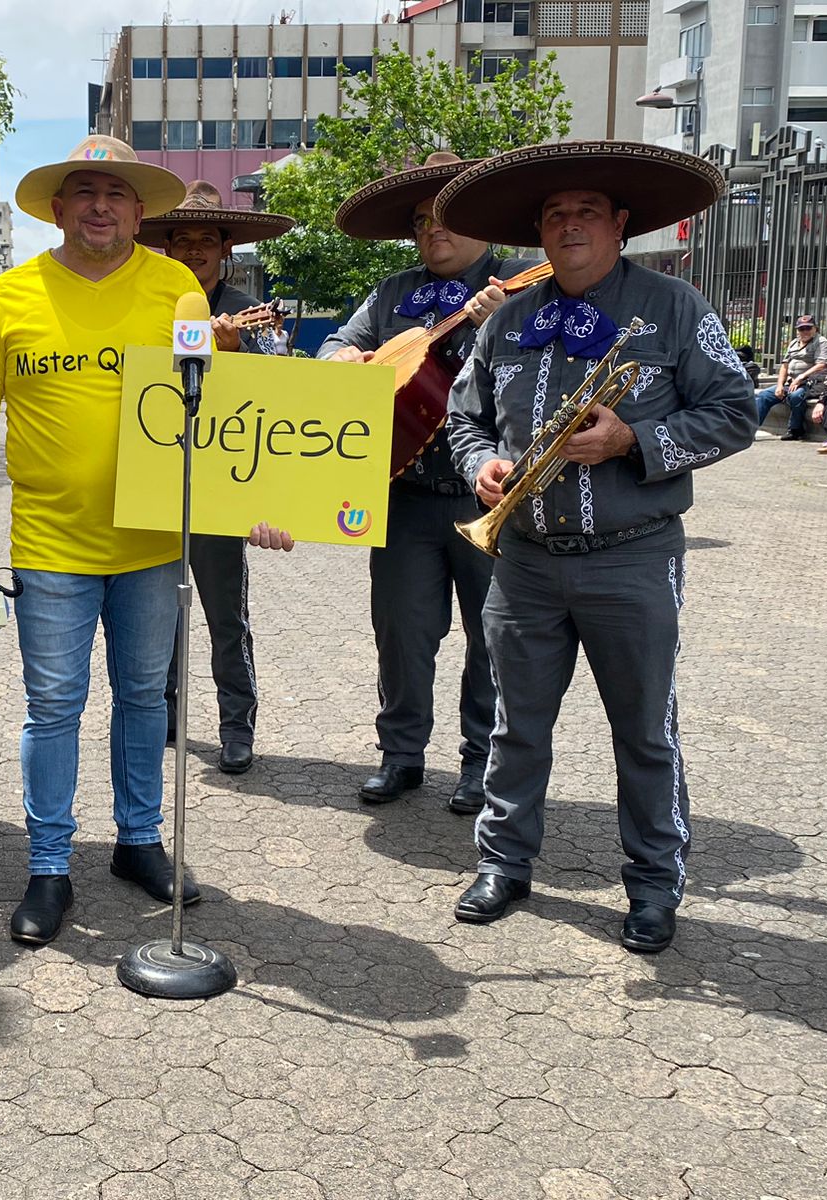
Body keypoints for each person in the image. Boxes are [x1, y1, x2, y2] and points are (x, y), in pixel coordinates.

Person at [0, 134, 293, 947]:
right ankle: (49, 865)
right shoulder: (8, 297)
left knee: (144, 700)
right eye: (85, 192)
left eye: (117, 193)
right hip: (51, 546)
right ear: (58, 208)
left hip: (152, 545)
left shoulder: (176, 291)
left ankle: (138, 843)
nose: (101, 205)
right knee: (53, 707)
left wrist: (264, 500)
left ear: (140, 210)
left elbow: (220, 409)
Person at [439, 141, 756, 952]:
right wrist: (482, 467)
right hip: (526, 560)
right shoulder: (508, 319)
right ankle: (505, 865)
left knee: (644, 730)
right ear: (539, 233)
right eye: (554, 215)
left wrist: (632, 440)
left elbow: (735, 412)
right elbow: (464, 419)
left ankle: (653, 885)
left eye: (585, 211)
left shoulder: (673, 304)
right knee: (516, 726)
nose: (569, 225)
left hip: (633, 555)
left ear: (618, 224)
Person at [318, 152, 534, 813]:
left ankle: (480, 763)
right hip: (403, 497)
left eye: (444, 216)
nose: (430, 230)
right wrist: (345, 359)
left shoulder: (524, 287)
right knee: (402, 635)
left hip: (489, 496)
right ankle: (401, 754)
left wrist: (501, 323)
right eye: (419, 221)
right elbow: (331, 346)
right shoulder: (391, 293)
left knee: (492, 639)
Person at [135, 179, 295, 775]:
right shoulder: (148, 306)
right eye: (182, 239)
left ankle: (236, 724)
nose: (194, 249)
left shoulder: (250, 314)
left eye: (206, 239)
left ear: (225, 247)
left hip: (222, 489)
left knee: (226, 614)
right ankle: (166, 715)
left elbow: (286, 388)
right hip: (156, 483)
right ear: (167, 247)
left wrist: (234, 351)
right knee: (156, 611)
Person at [753, 315, 827, 442]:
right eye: (801, 329)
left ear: (815, 329)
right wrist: (779, 385)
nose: (805, 331)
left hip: (810, 383)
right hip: (791, 382)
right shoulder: (794, 343)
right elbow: (784, 366)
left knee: (796, 396)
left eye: (808, 328)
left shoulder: (821, 342)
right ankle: (750, 430)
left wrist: (801, 377)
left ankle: (795, 430)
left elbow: (822, 365)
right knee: (764, 396)